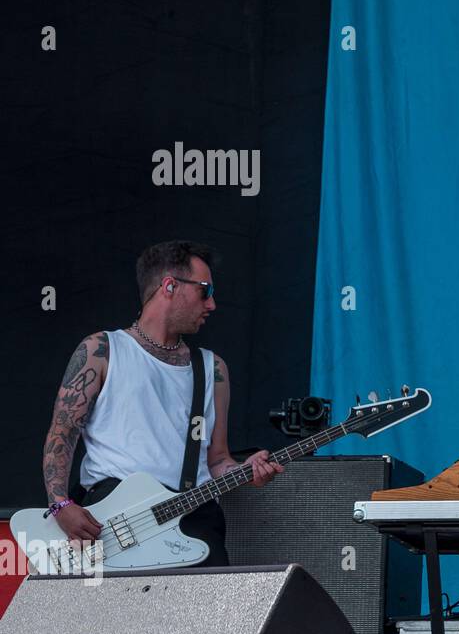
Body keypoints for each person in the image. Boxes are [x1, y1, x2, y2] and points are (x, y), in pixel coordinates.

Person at [40, 240, 282, 564]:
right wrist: (60, 504)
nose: (212, 305)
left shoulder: (213, 369)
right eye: (204, 291)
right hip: (113, 520)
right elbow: (62, 433)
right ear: (169, 285)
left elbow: (217, 461)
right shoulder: (102, 350)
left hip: (193, 518)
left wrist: (246, 471)